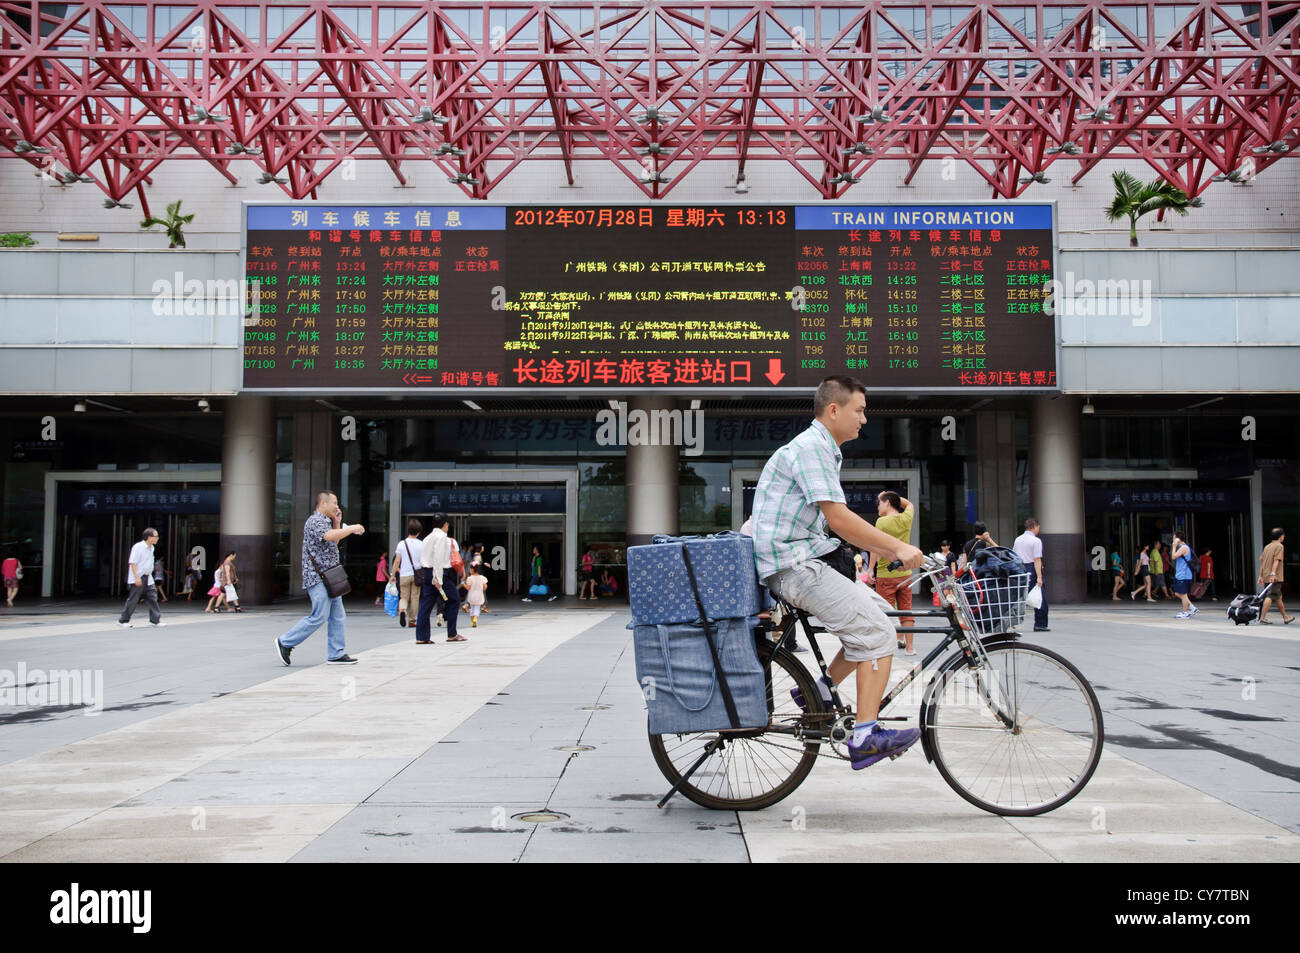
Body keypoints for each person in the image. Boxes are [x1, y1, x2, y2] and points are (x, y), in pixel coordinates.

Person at [751, 375, 925, 771]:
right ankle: (864, 737)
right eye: (859, 410)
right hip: (793, 566)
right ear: (834, 410)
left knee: (881, 620)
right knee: (877, 633)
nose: (864, 419)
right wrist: (896, 546)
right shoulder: (812, 448)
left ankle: (816, 694)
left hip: (800, 560)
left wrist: (892, 549)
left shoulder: (823, 449)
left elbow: (837, 524)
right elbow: (840, 520)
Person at [274, 490, 362, 666]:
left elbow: (332, 543)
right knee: (320, 615)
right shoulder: (315, 520)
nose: (337, 506)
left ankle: (336, 654)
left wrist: (337, 524)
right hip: (318, 577)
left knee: (338, 615)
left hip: (329, 576)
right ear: (323, 503)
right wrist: (351, 528)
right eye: (334, 502)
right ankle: (285, 642)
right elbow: (328, 536)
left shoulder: (326, 522)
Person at [864, 491, 917, 654]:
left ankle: (888, 646)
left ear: (886, 503)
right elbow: (909, 505)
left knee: (885, 612)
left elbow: (876, 547)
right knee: (906, 610)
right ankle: (909, 647)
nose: (878, 507)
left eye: (879, 503)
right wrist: (893, 497)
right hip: (906, 573)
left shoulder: (882, 522)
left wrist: (870, 569)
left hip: (886, 574)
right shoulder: (906, 519)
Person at [417, 513, 465, 643]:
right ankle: (452, 634)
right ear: (445, 524)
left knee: (426, 604)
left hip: (426, 572)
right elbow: (438, 558)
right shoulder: (442, 538)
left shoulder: (427, 538)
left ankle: (422, 637)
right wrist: (438, 579)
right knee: (454, 599)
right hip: (439, 573)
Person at [118, 527, 163, 628]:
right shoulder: (138, 547)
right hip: (139, 577)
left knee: (152, 597)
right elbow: (132, 563)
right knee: (133, 599)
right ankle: (123, 620)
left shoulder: (152, 548)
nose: (157, 538)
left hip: (148, 577)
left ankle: (155, 620)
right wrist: (136, 577)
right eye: (156, 536)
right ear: (149, 537)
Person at [1012, 518, 1048, 632]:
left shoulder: (1018, 539)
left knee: (1018, 596)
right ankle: (1040, 624)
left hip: (1020, 569)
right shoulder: (1036, 541)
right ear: (1034, 527)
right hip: (1032, 568)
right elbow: (1037, 560)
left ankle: (1011, 621)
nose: (1038, 530)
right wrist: (1039, 577)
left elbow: (1014, 556)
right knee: (1039, 596)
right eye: (1038, 527)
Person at [1258, 527, 1295, 625]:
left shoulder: (1267, 546)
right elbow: (1276, 560)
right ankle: (1263, 618)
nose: (1284, 537)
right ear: (1280, 536)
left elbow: (1262, 562)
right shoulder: (1279, 546)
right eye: (1283, 535)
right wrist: (1273, 573)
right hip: (1274, 577)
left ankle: (1286, 617)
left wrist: (1260, 576)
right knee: (1271, 596)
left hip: (1267, 575)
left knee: (1278, 597)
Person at [391, 518, 423, 629]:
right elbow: (423, 561)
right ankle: (412, 620)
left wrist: (392, 575)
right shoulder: (421, 544)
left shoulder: (401, 544)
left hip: (404, 574)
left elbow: (397, 561)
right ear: (418, 532)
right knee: (415, 597)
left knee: (404, 596)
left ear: (408, 530)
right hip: (417, 575)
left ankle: (403, 610)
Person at [1170, 532, 1197, 619]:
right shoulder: (1182, 547)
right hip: (1181, 574)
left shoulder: (1184, 547)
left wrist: (1174, 546)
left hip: (1184, 574)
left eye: (1174, 538)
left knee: (1183, 594)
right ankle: (1192, 608)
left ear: (1178, 539)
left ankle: (1186, 612)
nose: (1173, 541)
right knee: (1177, 593)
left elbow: (1173, 557)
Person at [461, 563, 488, 627]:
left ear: (473, 570)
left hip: (471, 596)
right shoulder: (482, 578)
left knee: (472, 608)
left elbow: (468, 588)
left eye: (470, 569)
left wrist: (463, 583)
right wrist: (481, 589)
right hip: (479, 595)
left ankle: (472, 621)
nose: (469, 570)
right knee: (477, 608)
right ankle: (475, 619)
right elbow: (485, 587)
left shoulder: (470, 578)